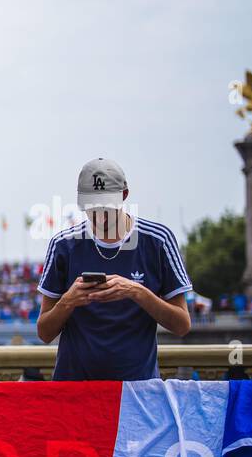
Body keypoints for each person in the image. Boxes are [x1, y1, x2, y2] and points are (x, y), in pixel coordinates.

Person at [37, 158, 191, 380]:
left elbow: (182, 325)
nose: (99, 214)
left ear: (124, 195)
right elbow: (44, 332)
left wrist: (136, 292)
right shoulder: (63, 245)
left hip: (137, 390)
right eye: (92, 206)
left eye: (106, 206)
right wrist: (69, 300)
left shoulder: (158, 240)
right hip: (75, 388)